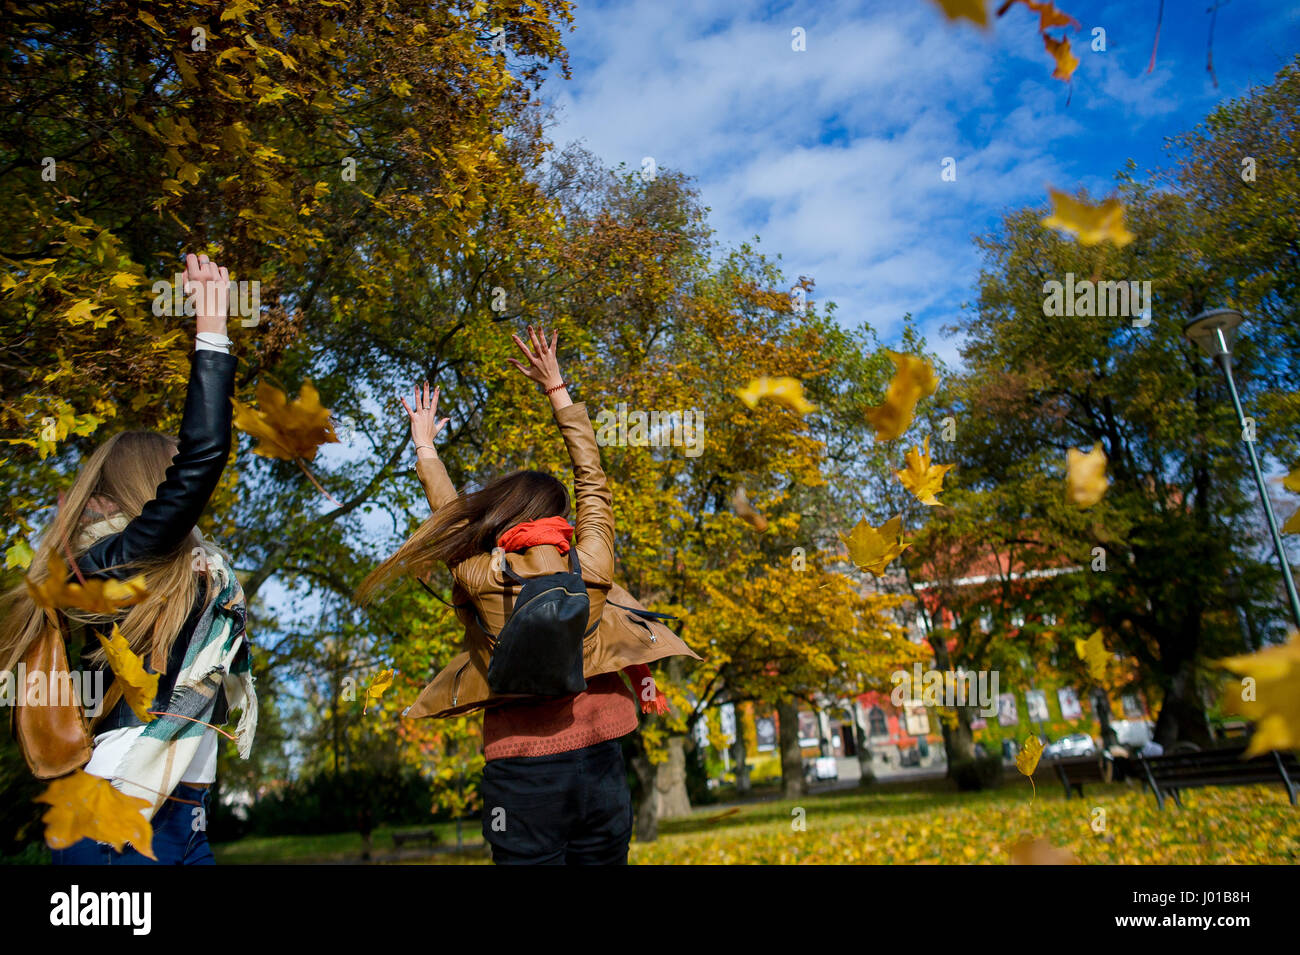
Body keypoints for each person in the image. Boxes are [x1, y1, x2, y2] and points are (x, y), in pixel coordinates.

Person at [358, 325, 699, 865]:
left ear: (505, 515)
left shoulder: (478, 574)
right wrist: (556, 390)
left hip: (521, 776)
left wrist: (425, 447)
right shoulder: (590, 565)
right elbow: (594, 481)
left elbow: (448, 517)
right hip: (602, 762)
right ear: (559, 520)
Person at [0, 253, 257, 864]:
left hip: (180, 819)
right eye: (168, 488)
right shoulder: (108, 564)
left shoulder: (182, 576)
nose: (191, 511)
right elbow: (202, 458)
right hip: (116, 815)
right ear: (148, 487)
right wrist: (212, 329)